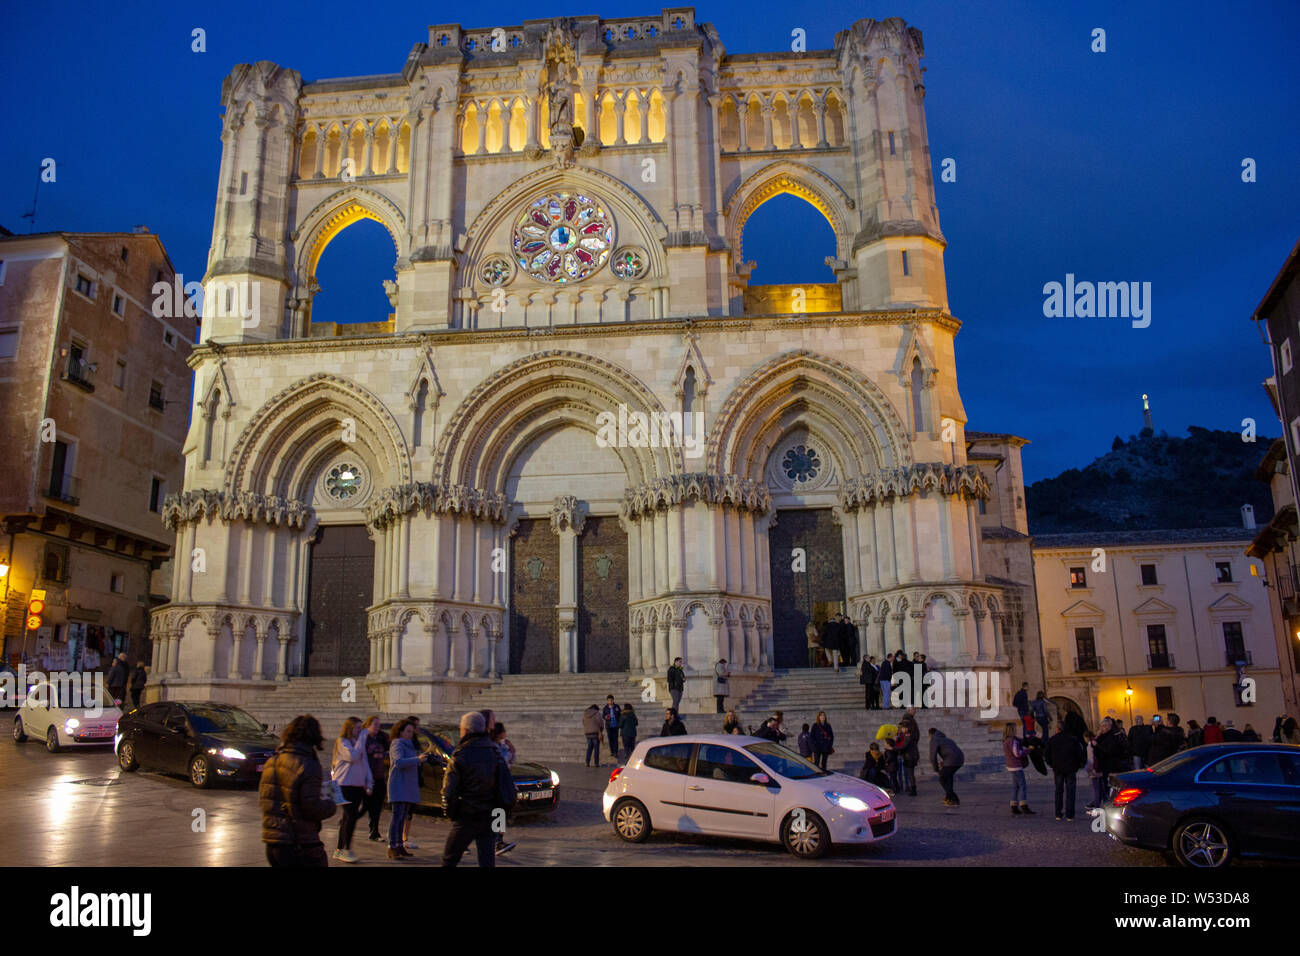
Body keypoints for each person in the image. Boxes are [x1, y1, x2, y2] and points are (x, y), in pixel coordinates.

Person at [259, 715, 338, 867]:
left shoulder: (272, 761)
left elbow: (265, 801)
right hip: (299, 841)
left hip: (272, 840)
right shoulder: (308, 765)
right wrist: (330, 805)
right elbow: (311, 807)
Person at [441, 711, 515, 868]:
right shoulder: (494, 751)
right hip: (489, 813)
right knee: (487, 860)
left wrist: (451, 812)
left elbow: (449, 789)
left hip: (467, 814)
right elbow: (504, 782)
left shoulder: (461, 753)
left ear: (466, 730)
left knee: (450, 858)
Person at [387, 718, 432, 859]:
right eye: (408, 731)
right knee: (397, 816)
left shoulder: (409, 744)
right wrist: (417, 759)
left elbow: (412, 762)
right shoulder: (397, 743)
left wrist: (421, 759)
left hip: (408, 784)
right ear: (400, 731)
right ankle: (392, 846)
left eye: (412, 731)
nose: (410, 734)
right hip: (399, 784)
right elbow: (399, 762)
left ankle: (399, 844)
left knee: (402, 817)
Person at [330, 716, 373, 863]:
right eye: (357, 728)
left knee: (349, 817)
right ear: (350, 728)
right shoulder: (342, 741)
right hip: (344, 784)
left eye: (361, 728)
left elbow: (364, 762)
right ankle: (346, 849)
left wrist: (369, 782)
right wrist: (362, 738)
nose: (360, 731)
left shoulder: (357, 742)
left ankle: (340, 849)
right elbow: (352, 756)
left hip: (357, 785)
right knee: (350, 816)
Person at [1045, 721, 1086, 821]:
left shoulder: (1052, 739)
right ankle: (1070, 814)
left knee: (1058, 791)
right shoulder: (1073, 739)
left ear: (1057, 729)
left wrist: (1051, 764)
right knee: (1070, 791)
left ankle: (1058, 813)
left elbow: (1047, 754)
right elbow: (1080, 753)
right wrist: (1078, 765)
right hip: (1070, 768)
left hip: (1058, 768)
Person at [491, 722, 518, 856]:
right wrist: (510, 751)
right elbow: (502, 761)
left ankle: (499, 841)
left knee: (500, 813)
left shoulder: (501, 746)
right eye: (504, 731)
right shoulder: (493, 747)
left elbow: (510, 762)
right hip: (496, 785)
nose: (505, 733)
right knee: (497, 813)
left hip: (502, 784)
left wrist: (511, 751)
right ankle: (496, 842)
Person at [362, 715, 390, 842]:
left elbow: (388, 748)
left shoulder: (381, 738)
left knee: (378, 804)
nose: (377, 727)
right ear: (368, 725)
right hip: (366, 776)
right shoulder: (364, 739)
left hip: (379, 775)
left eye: (379, 725)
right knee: (366, 805)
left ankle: (374, 830)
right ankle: (347, 821)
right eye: (375, 724)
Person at [1093, 717, 1129, 798]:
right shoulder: (1102, 736)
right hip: (1104, 765)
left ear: (1109, 726)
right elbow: (1094, 747)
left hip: (1112, 765)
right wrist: (1097, 737)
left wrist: (1098, 745)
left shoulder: (1112, 736)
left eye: (1103, 726)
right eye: (1101, 726)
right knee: (1105, 786)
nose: (1101, 728)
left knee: (1112, 787)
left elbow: (1109, 750)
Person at [929, 728, 965, 806]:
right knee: (948, 777)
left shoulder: (934, 740)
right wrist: (943, 763)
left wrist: (936, 769)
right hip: (960, 759)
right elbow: (951, 752)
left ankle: (954, 798)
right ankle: (948, 798)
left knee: (942, 778)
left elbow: (932, 757)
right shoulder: (946, 739)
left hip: (951, 760)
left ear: (930, 735)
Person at [1003, 722, 1032, 816]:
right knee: (1022, 786)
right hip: (1016, 766)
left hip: (1010, 766)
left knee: (1015, 786)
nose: (1016, 730)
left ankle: (1014, 806)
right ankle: (1023, 805)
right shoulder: (1013, 741)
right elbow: (1017, 753)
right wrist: (1028, 750)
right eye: (1015, 728)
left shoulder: (1006, 740)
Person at [897, 708, 920, 796]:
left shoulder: (908, 736)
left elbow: (904, 746)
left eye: (903, 728)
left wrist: (894, 748)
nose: (902, 729)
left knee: (910, 773)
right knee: (910, 773)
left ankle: (913, 789)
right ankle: (911, 788)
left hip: (909, 756)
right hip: (910, 755)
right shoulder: (909, 734)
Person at [601, 695, 622, 761]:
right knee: (610, 739)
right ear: (607, 701)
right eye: (609, 700)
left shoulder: (617, 707)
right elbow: (603, 716)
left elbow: (620, 714)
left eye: (611, 700)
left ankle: (616, 752)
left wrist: (619, 722)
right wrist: (605, 717)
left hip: (615, 725)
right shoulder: (605, 708)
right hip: (609, 726)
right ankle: (612, 751)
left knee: (615, 738)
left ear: (613, 700)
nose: (610, 701)